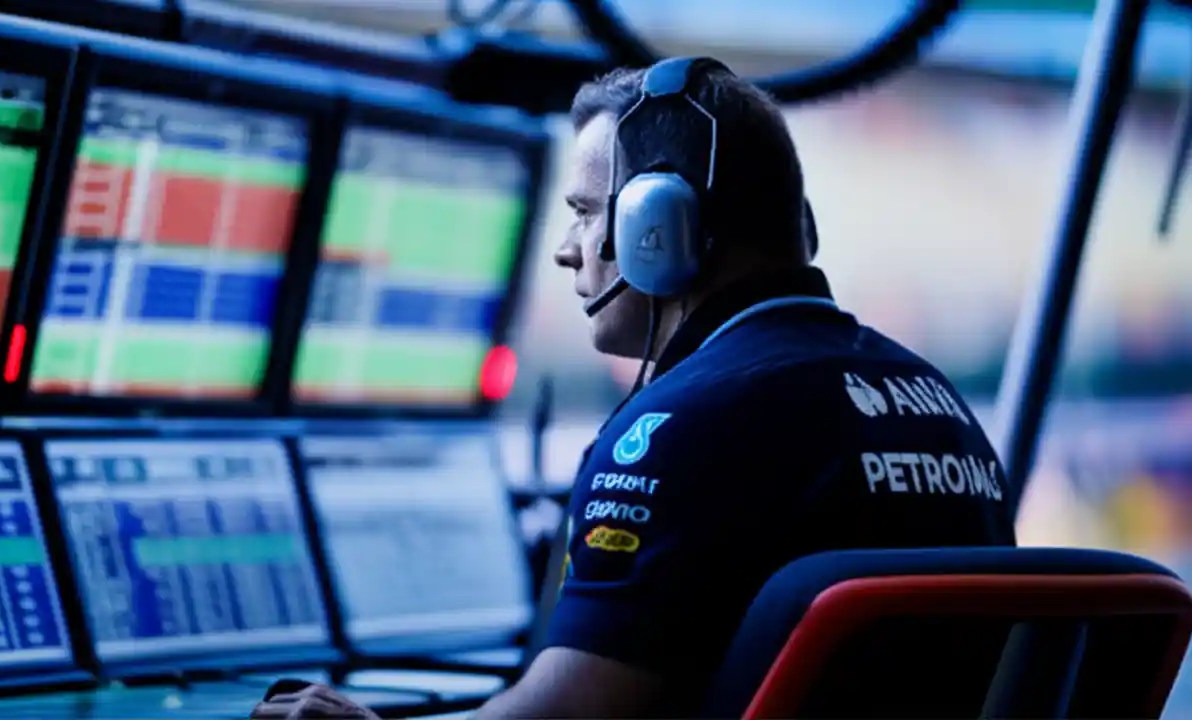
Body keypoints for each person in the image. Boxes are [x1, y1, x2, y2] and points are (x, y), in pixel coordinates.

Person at [252, 56, 1016, 720]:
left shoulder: (685, 423)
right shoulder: (940, 406)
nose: (566, 250)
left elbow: (567, 718)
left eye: (586, 213)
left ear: (659, 228)